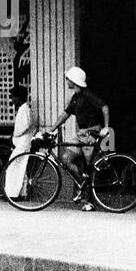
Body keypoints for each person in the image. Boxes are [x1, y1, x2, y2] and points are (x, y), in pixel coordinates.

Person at [49, 66, 111, 201]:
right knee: (65, 158)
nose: (66, 81)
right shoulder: (76, 97)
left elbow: (104, 108)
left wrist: (106, 127)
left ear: (73, 80)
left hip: (91, 134)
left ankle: (89, 201)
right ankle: (82, 182)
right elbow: (65, 114)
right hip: (81, 134)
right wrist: (51, 129)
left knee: (90, 168)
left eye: (68, 79)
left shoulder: (88, 95)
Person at [3, 85, 36, 199]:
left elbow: (23, 126)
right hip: (24, 142)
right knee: (21, 168)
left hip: (22, 143)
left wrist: (14, 134)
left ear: (18, 98)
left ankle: (12, 194)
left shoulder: (24, 109)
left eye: (13, 97)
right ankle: (22, 192)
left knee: (14, 167)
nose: (11, 100)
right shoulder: (26, 108)